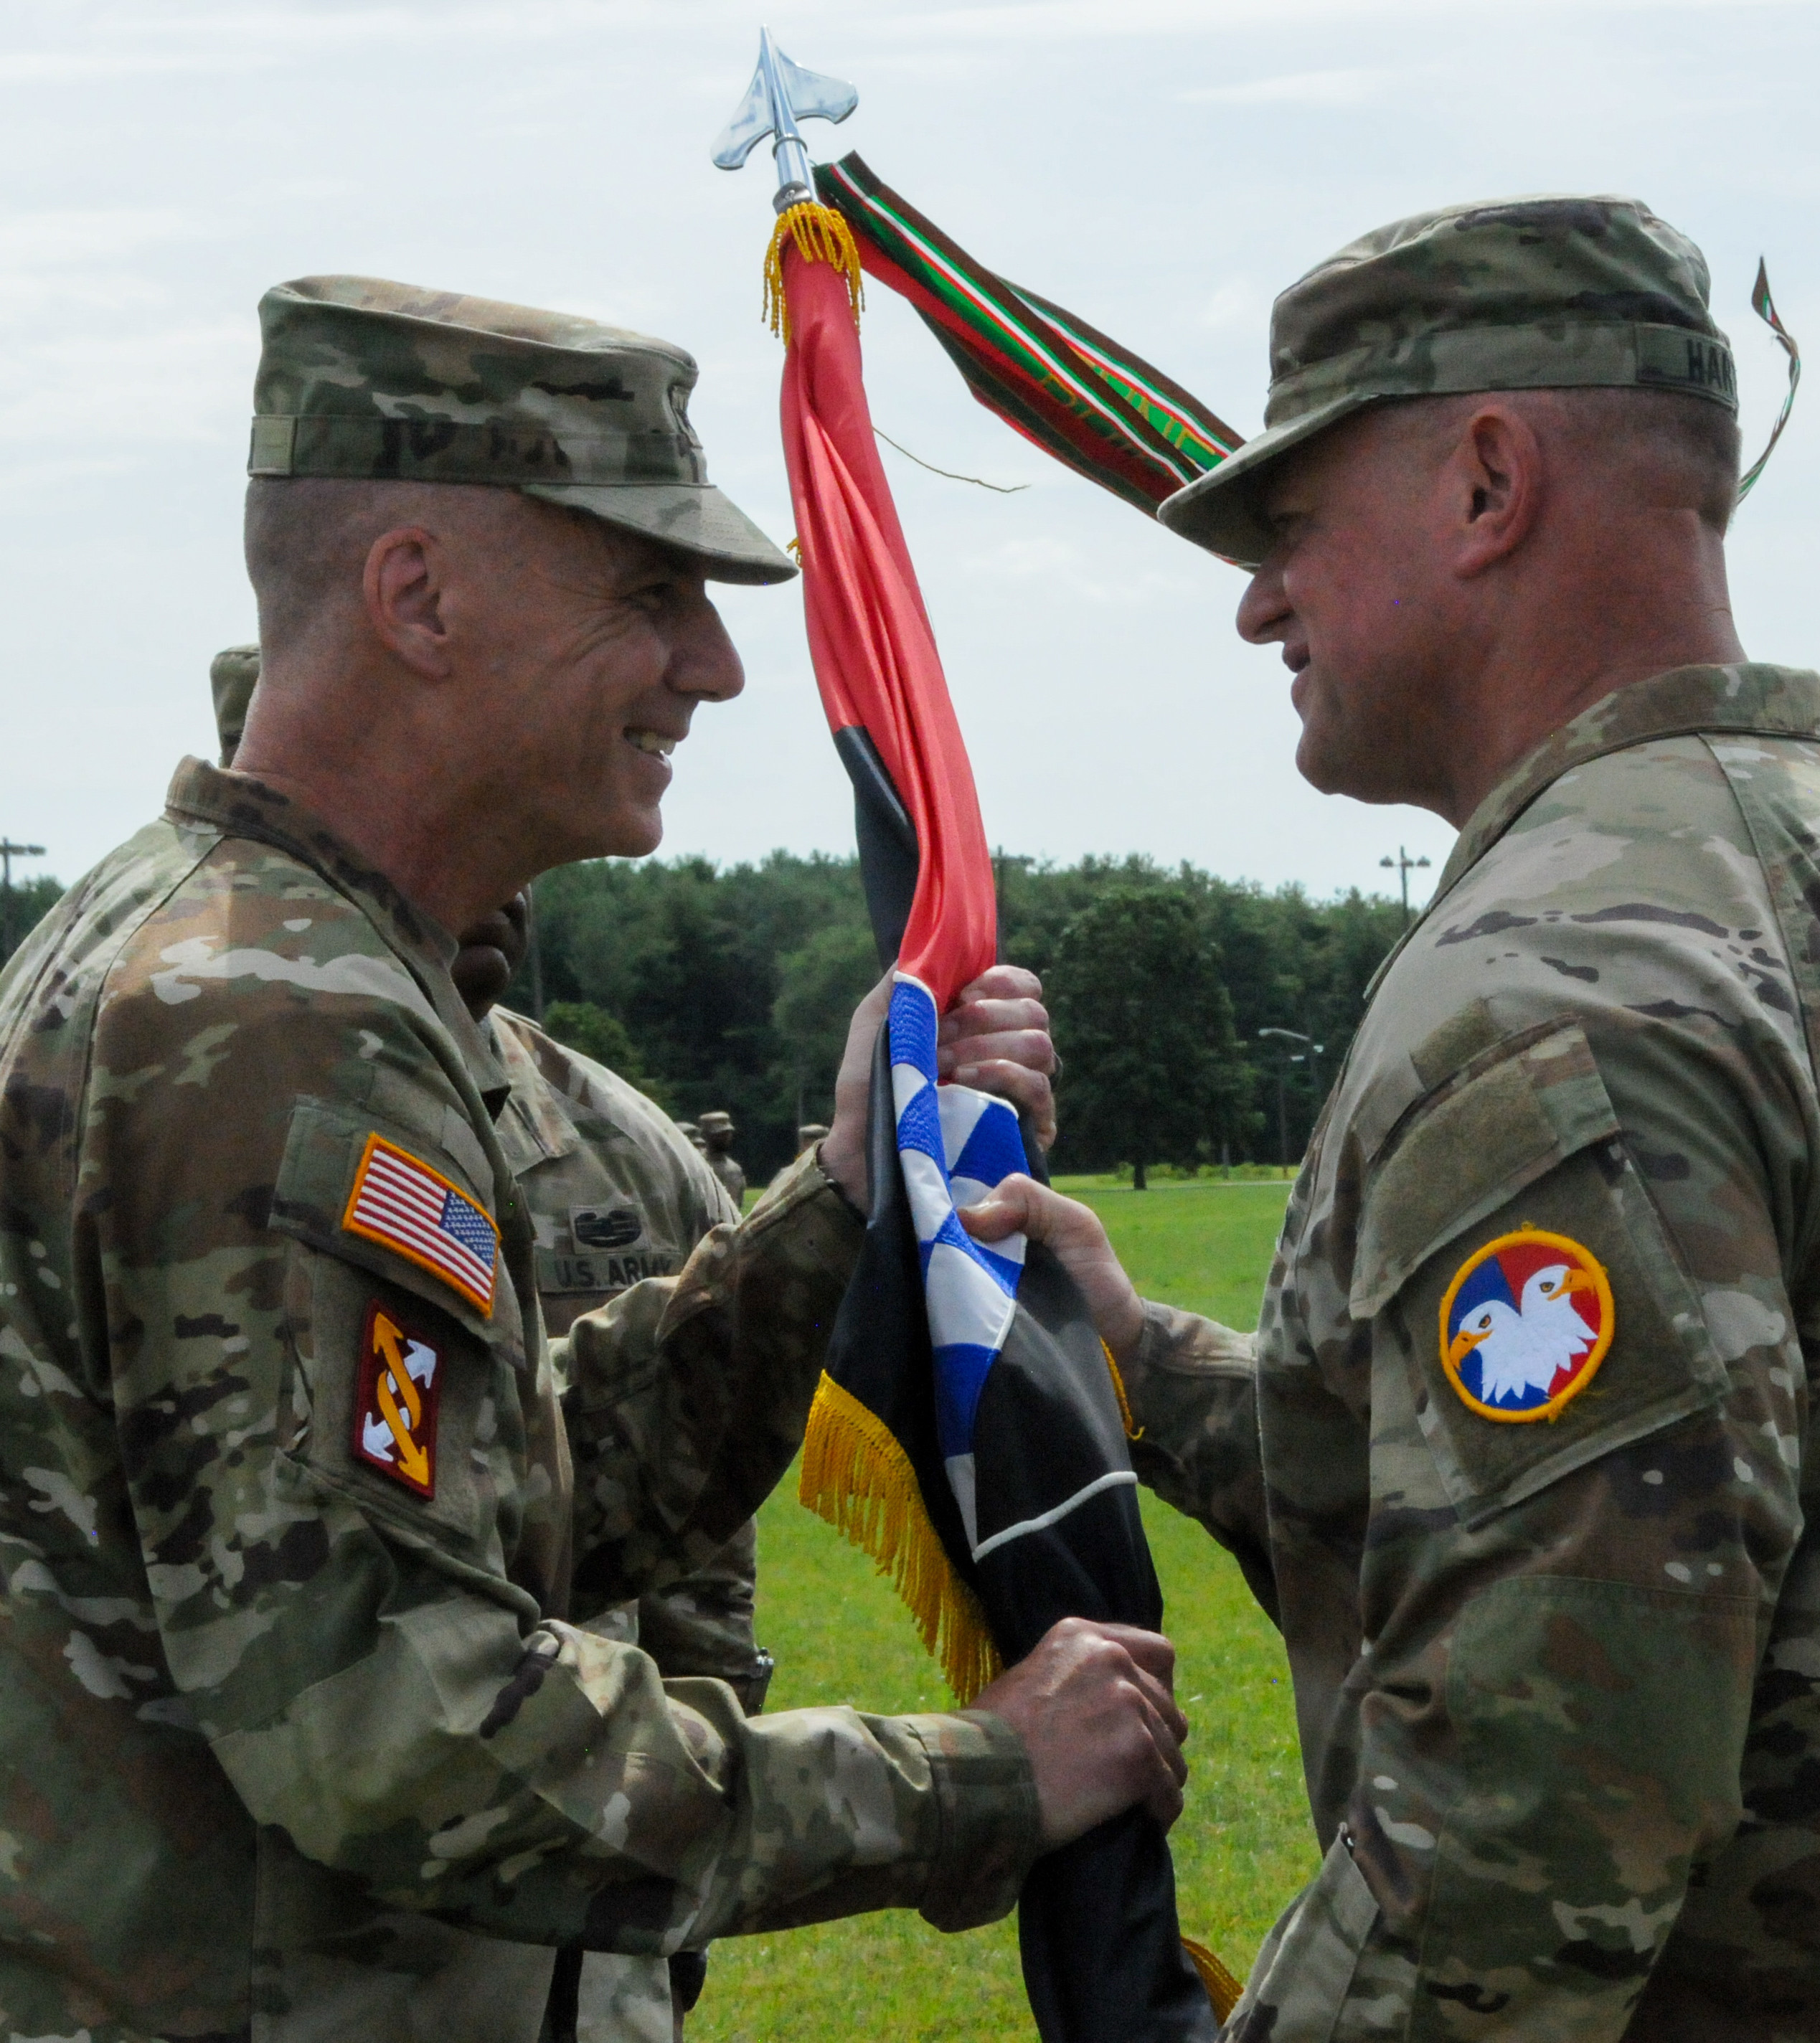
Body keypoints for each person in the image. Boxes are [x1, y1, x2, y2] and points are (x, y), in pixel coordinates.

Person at [0, 275, 1188, 2041]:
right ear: (418, 597)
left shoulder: (253, 956)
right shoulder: (275, 1019)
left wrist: (841, 1195)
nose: (712, 666)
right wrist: (979, 1773)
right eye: (652, 594)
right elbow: (401, 1730)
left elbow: (510, 1508)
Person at [961, 197, 1820, 2038]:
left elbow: (1523, 1847)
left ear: (1486, 483)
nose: (1257, 600)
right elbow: (1754, 1470)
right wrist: (1142, 1360)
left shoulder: (1553, 980)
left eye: (1290, 528)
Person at [214, 652, 769, 2039]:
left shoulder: (628, 1154)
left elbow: (699, 1575)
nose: (500, 884)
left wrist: (661, 1922)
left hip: (586, 1938)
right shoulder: (196, 1107)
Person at [694, 1110, 747, 1205]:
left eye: (727, 1133)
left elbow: (738, 1204)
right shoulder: (697, 1166)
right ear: (705, 1135)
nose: (726, 1137)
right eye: (719, 1134)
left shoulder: (735, 1170)